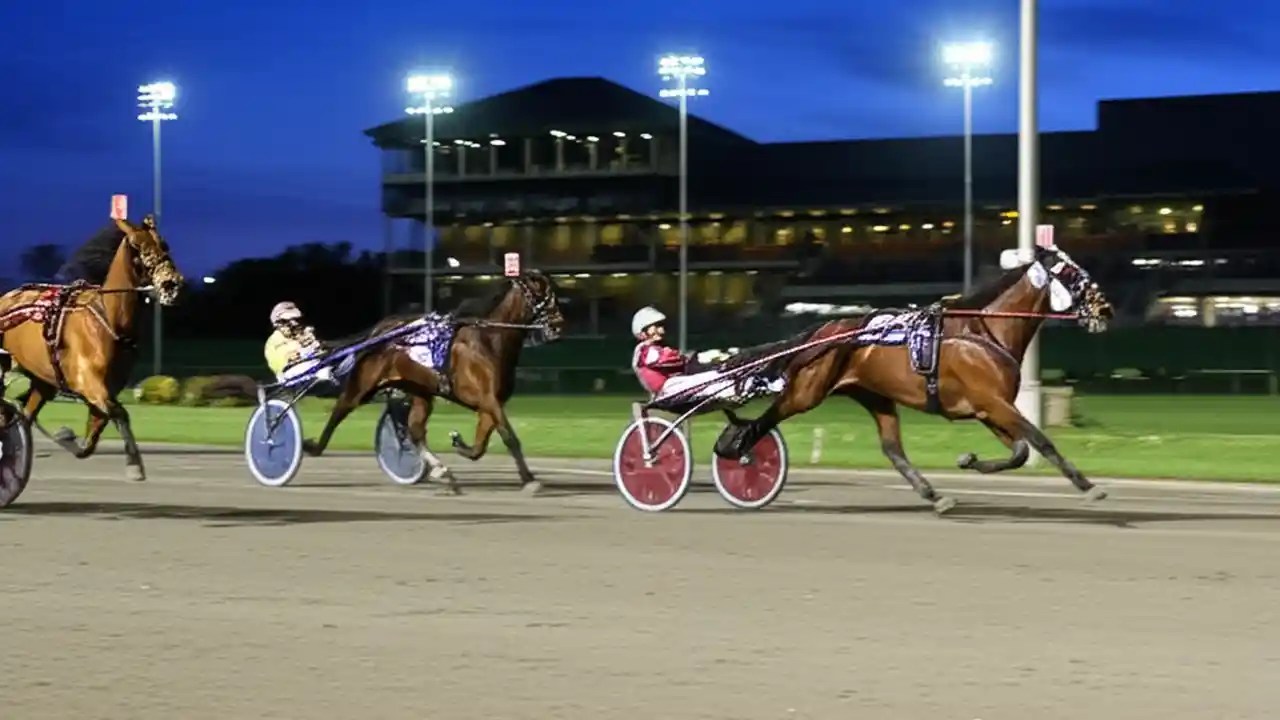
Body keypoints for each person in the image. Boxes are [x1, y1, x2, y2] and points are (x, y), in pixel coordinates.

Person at [630, 306, 761, 402]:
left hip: (671, 385)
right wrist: (692, 357)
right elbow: (672, 359)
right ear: (643, 331)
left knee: (711, 367)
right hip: (669, 389)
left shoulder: (652, 349)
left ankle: (742, 380)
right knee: (709, 377)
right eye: (656, 327)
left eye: (661, 326)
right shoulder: (645, 351)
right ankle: (741, 386)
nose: (662, 330)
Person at [264, 301, 332, 384]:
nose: (294, 323)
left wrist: (318, 345)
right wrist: (289, 357)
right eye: (288, 321)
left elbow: (323, 350)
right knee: (323, 372)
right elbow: (276, 364)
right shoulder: (274, 340)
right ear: (278, 323)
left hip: (316, 364)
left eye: (296, 319)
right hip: (290, 373)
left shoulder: (306, 332)